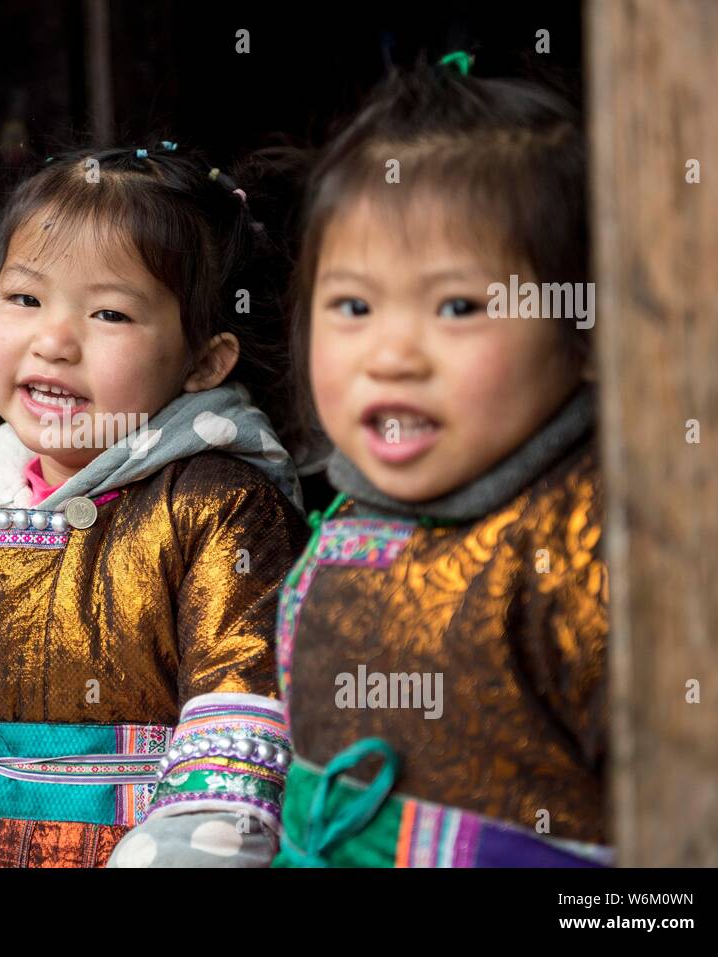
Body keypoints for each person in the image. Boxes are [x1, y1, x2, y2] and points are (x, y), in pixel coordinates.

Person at [0, 141, 308, 868]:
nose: (54, 340)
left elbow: (231, 771)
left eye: (109, 312)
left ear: (204, 360)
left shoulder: (221, 509)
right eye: (26, 299)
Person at [274, 60, 611, 867]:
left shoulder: (587, 540)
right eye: (353, 306)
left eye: (458, 306)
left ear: (587, 330)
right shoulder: (339, 520)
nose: (390, 355)